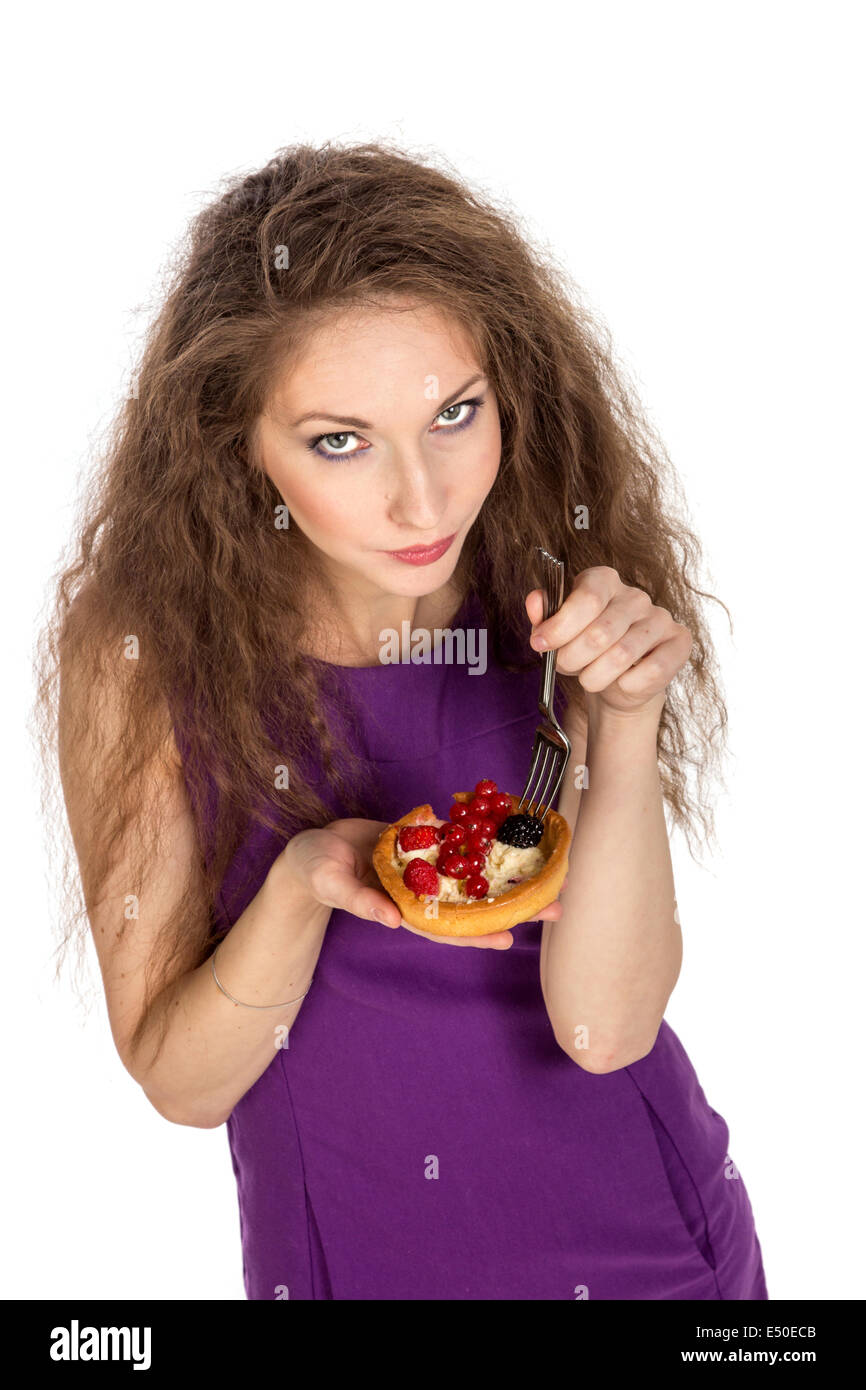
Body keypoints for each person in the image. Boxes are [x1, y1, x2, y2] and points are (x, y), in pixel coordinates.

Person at [40, 140, 768, 1299]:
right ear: (237, 442)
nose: (422, 499)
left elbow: (603, 1032)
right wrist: (304, 883)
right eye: (339, 440)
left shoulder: (564, 594)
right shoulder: (142, 654)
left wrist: (619, 734)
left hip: (645, 1258)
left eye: (453, 413)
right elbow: (184, 1084)